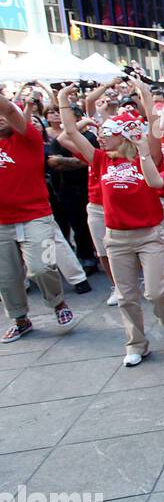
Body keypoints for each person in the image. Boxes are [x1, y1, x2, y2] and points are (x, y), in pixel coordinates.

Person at [56, 104, 164, 365]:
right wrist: (63, 99)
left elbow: (155, 175)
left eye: (108, 132)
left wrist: (144, 147)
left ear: (123, 134)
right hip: (116, 238)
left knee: (156, 292)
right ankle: (137, 344)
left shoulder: (143, 158)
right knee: (126, 296)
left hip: (149, 234)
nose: (101, 136)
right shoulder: (101, 159)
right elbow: (69, 132)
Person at [0, 91, 76, 343]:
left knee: (41, 267)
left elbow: (11, 112)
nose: (1, 118)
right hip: (2, 222)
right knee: (6, 276)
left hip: (35, 215)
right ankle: (20, 319)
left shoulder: (27, 137)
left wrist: (8, 106)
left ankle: (58, 303)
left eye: (4, 114)